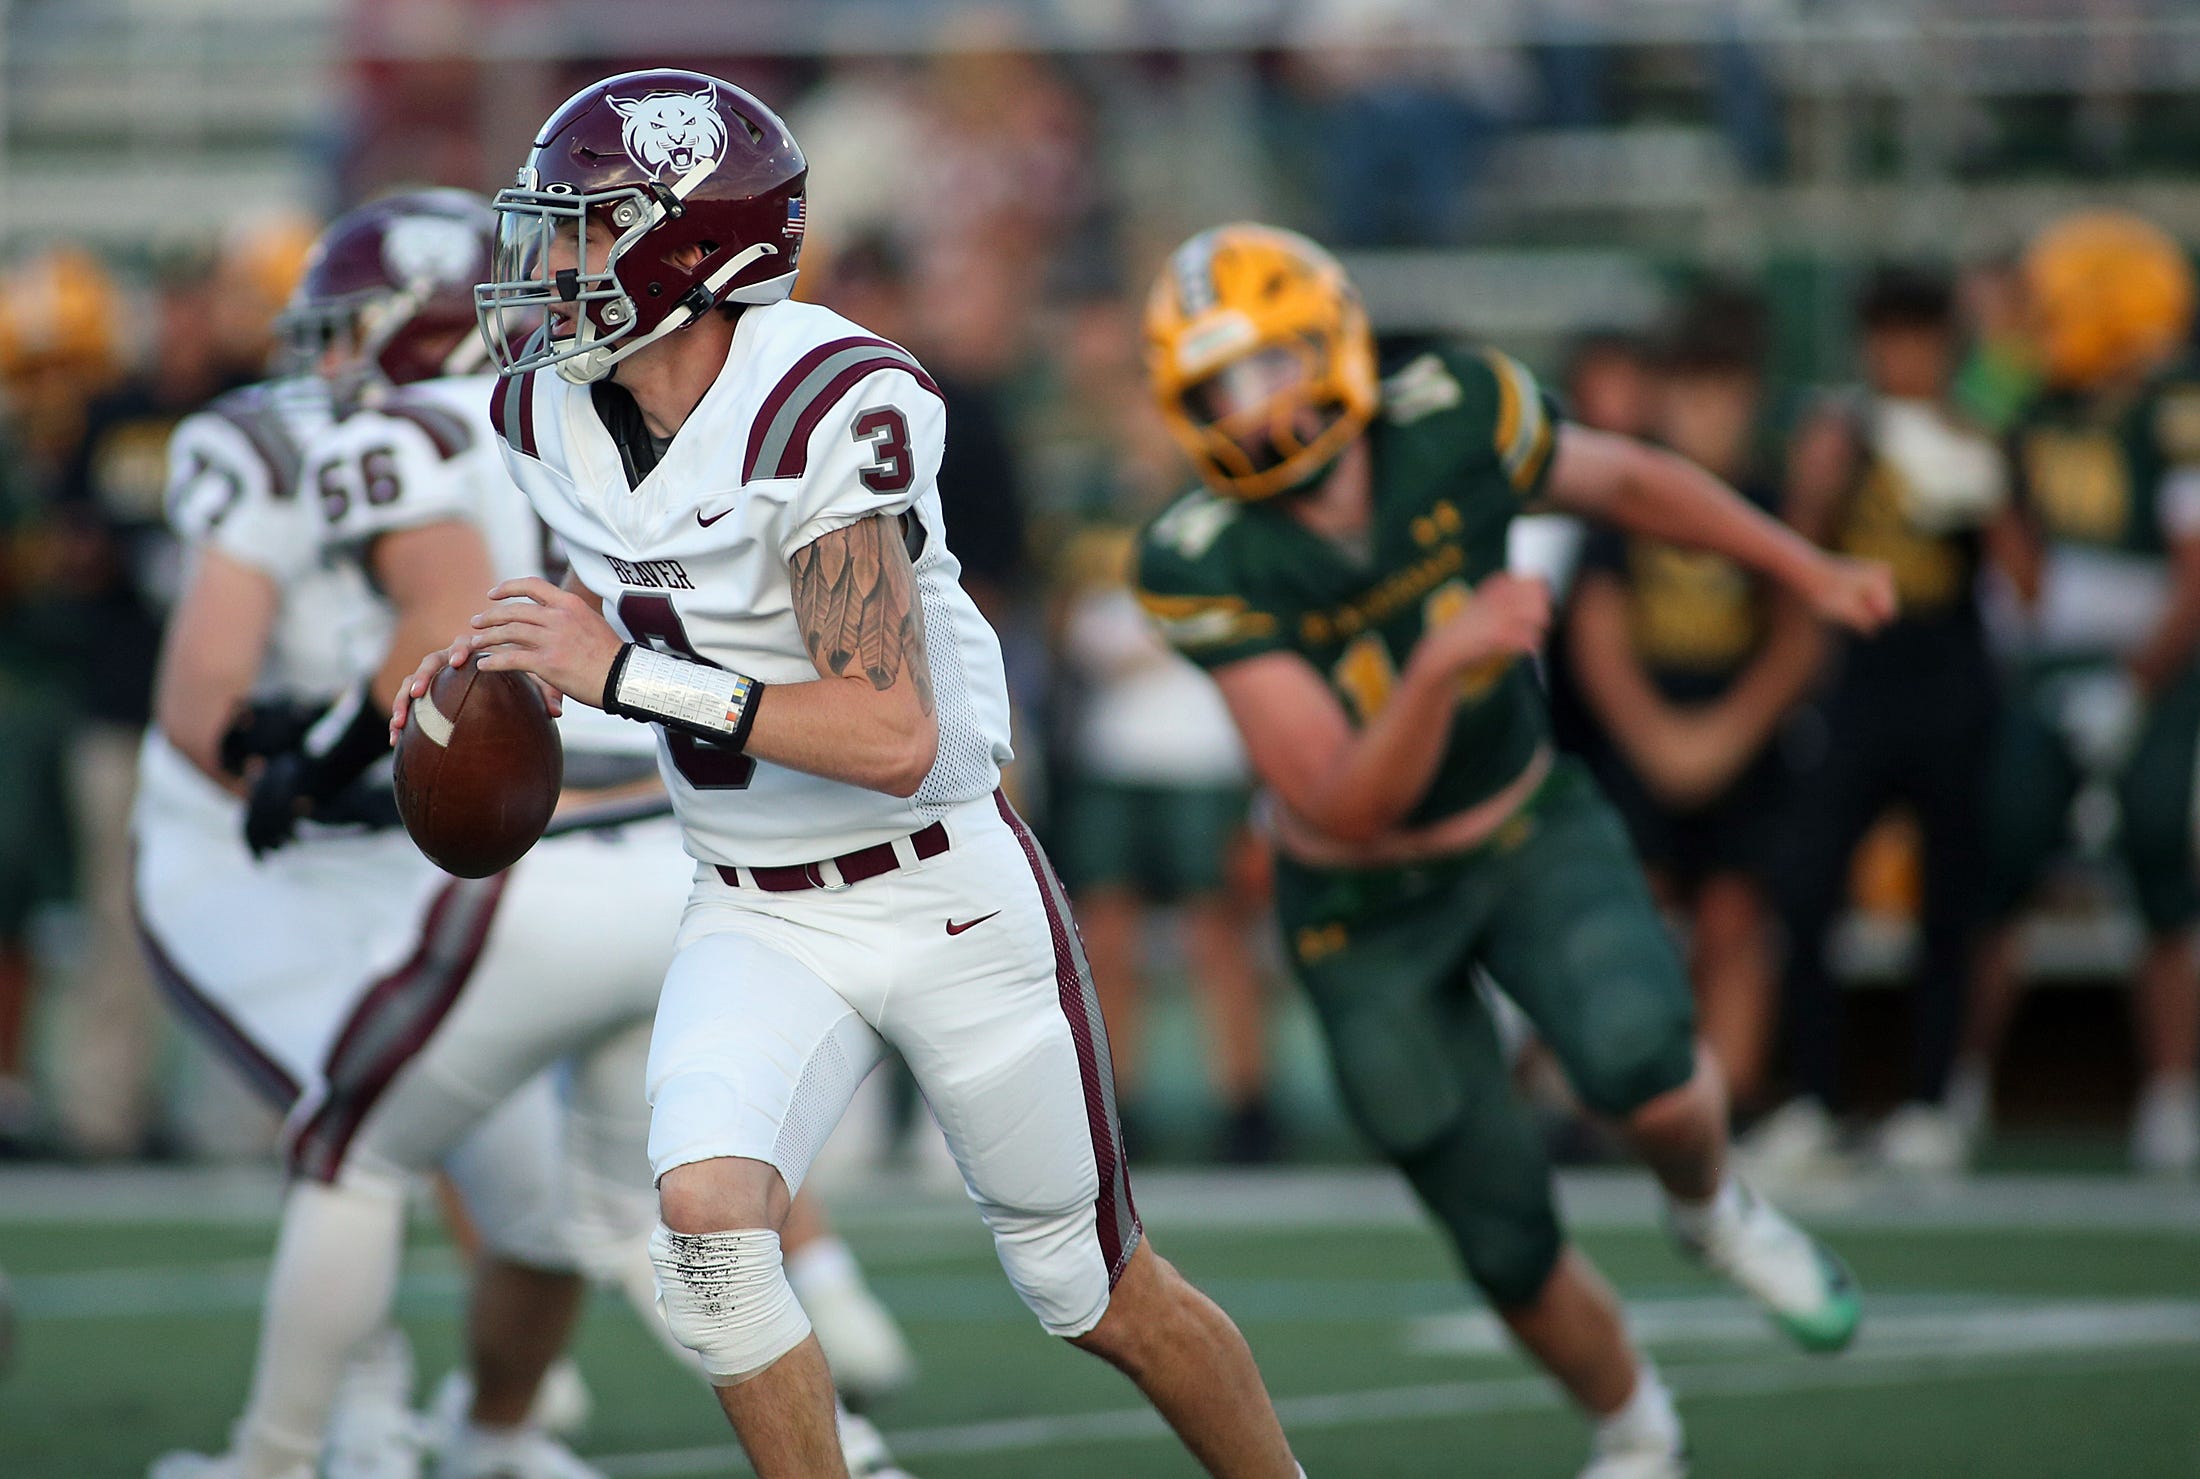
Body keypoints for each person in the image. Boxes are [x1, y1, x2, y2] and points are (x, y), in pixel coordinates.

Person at [408, 69, 1307, 1479]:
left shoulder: (823, 401)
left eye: (590, 228)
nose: (554, 262)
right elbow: (617, 611)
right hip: (751, 900)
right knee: (706, 1226)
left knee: (1094, 1291)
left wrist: (617, 672)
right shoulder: (542, 414)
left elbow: (888, 734)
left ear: (693, 250)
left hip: (939, 887)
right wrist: (497, 662)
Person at [147, 190, 913, 1479]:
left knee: (349, 1148)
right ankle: (841, 1451)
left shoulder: (412, 430)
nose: (332, 367)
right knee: (631, 1223)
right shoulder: (627, 410)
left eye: (350, 335)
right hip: (680, 858)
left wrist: (327, 757)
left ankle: (273, 1462)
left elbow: (445, 647)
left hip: (542, 865)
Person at [1134, 224, 1888, 1478]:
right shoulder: (1199, 555)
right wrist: (1439, 664)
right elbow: (1340, 798)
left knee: (1644, 1064)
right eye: (1219, 388)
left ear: (1335, 341)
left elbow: (1637, 486)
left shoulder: (1457, 414)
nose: (1251, 412)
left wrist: (1793, 560)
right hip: (1362, 901)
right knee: (1497, 1229)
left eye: (1268, 368)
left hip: (1519, 825)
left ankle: (1713, 1209)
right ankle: (1634, 1426)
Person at [1960, 211, 2200, 1175]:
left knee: (2157, 856)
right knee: (2001, 853)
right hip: (2051, 661)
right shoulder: (2031, 398)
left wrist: (2132, 685)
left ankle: (2173, 1093)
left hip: (2156, 664)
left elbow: (2194, 574)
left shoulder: (2174, 406)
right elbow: (1967, 431)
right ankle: (1959, 1084)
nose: (2031, 322)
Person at [1769, 265, 2006, 1177]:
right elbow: (1798, 554)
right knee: (1806, 883)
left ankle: (1932, 1098)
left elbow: (2027, 580)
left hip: (1952, 687)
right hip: (1860, 686)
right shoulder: (1845, 431)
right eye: (1885, 337)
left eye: (1915, 336)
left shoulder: (1977, 429)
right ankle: (1815, 1097)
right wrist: (1819, 482)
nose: (1898, 358)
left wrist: (1981, 474)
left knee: (1949, 900)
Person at [1566, 296, 1820, 1111]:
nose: (1709, 414)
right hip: (1644, 735)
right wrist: (1657, 740)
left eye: (1726, 393)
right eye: (1692, 391)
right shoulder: (1628, 504)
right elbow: (1596, 631)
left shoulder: (1771, 500)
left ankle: (1731, 1098)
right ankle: (1625, 1093)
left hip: (1742, 737)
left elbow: (1799, 634)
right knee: (1624, 925)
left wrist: (1726, 735)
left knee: (1736, 921)